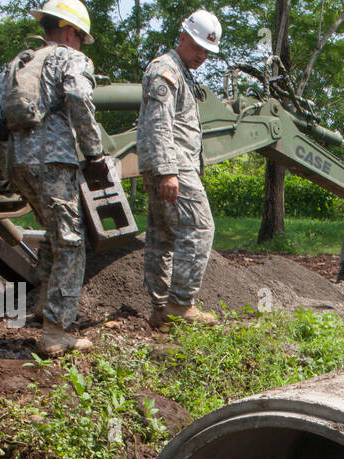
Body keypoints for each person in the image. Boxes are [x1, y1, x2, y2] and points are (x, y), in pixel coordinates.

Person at [0, 0, 110, 357]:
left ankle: (41, 307)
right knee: (70, 243)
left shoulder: (18, 64)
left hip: (19, 164)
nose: (80, 45)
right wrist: (94, 154)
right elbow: (78, 95)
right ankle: (56, 331)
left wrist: (5, 167)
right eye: (81, 37)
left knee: (52, 231)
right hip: (55, 164)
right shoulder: (70, 58)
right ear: (69, 31)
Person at [139, 9, 222, 330]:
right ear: (183, 36)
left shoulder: (180, 71)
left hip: (169, 165)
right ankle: (180, 304)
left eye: (207, 51)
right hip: (173, 165)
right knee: (200, 228)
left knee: (163, 235)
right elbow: (159, 123)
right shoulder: (166, 71)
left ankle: (161, 309)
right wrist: (167, 171)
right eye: (198, 47)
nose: (202, 55)